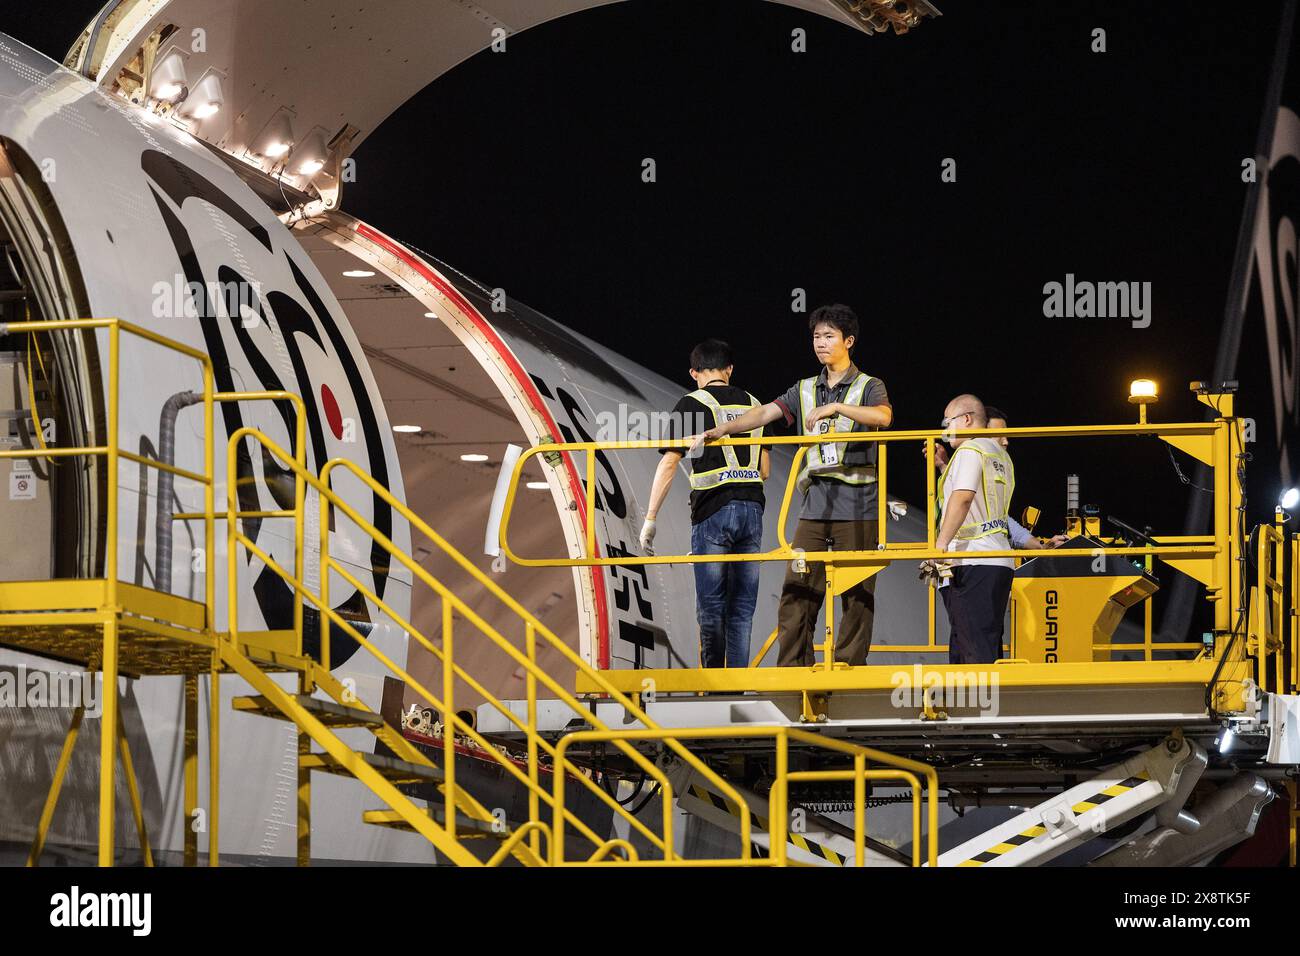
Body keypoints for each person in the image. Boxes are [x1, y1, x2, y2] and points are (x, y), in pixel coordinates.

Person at [695, 304, 891, 667]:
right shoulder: (803, 389)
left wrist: (838, 410)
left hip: (858, 502)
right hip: (815, 503)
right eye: (816, 336)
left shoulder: (868, 386)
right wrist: (725, 428)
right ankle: (793, 667)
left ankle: (848, 666)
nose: (821, 343)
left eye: (829, 336)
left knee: (856, 591)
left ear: (848, 341)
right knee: (798, 588)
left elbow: (883, 416)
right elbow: (766, 412)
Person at [639, 339, 770, 668]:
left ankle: (713, 682)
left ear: (694, 372)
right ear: (730, 370)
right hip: (752, 510)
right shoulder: (756, 404)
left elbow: (670, 462)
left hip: (712, 512)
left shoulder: (690, 403)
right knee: (741, 608)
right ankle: (736, 682)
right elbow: (764, 471)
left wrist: (651, 519)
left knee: (711, 606)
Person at [933, 394, 1016, 664]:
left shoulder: (970, 450)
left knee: (972, 648)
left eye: (948, 422)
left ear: (966, 419)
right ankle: (982, 702)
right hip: (999, 560)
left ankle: (978, 706)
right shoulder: (999, 456)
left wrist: (940, 545)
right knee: (984, 640)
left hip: (973, 560)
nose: (945, 430)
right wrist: (945, 466)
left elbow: (963, 497)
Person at [929, 405, 1067, 550]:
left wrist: (1042, 546)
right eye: (998, 435)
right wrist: (944, 467)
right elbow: (962, 502)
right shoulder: (971, 455)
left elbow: (1000, 522)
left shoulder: (985, 472)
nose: (1006, 441)